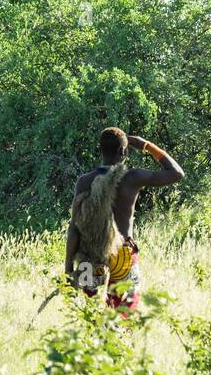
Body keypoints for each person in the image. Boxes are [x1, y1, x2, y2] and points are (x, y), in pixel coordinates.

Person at [65, 127, 184, 311]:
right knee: (124, 312)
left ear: (100, 149)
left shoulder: (85, 181)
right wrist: (146, 145)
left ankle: (93, 339)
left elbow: (74, 229)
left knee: (89, 311)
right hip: (123, 254)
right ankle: (119, 339)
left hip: (90, 254)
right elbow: (176, 173)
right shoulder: (132, 178)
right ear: (124, 151)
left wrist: (68, 270)